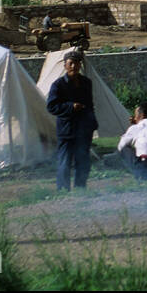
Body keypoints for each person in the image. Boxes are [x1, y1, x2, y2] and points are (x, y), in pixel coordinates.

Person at [45, 49, 97, 191]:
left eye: (77, 63)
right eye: (71, 63)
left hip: (84, 128)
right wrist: (70, 106)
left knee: (83, 160)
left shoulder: (86, 83)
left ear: (80, 65)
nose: (74, 66)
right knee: (65, 161)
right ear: (65, 65)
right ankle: (63, 189)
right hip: (66, 129)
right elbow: (51, 106)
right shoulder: (58, 85)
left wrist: (92, 123)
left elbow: (90, 104)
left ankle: (81, 187)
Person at [106, 102, 147, 181]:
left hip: (146, 166)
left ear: (141, 115)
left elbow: (121, 145)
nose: (134, 117)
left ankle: (138, 174)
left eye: (135, 115)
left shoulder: (136, 127)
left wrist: (132, 127)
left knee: (125, 149)